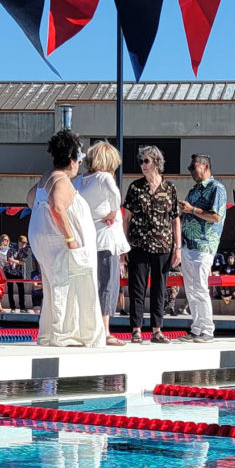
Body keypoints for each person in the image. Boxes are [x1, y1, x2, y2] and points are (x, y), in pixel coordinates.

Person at [27, 129, 104, 348]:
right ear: (71, 161)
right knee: (67, 286)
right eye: (79, 160)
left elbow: (30, 199)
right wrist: (70, 237)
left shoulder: (46, 177)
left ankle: (52, 332)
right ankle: (65, 334)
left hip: (44, 241)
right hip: (60, 244)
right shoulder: (61, 181)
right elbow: (57, 206)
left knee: (54, 286)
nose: (79, 165)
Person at [71, 143, 130, 336]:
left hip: (87, 240)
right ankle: (105, 329)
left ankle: (87, 326)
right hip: (105, 238)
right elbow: (115, 195)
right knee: (108, 284)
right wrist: (113, 212)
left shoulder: (79, 180)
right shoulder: (104, 177)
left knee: (89, 285)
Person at [121, 146, 177, 342]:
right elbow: (126, 218)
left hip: (163, 246)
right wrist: (124, 246)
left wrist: (177, 246)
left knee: (160, 289)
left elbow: (175, 218)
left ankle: (157, 330)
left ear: (156, 162)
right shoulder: (135, 187)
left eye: (146, 161)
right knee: (137, 288)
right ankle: (136, 329)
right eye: (141, 161)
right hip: (139, 245)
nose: (143, 165)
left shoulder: (169, 188)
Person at [178, 153, 229, 341]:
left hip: (204, 245)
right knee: (190, 289)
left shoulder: (217, 188)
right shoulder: (194, 190)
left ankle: (207, 329)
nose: (191, 171)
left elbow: (216, 216)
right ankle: (197, 327)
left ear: (205, 166)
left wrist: (191, 209)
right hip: (188, 244)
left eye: (194, 167)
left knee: (199, 287)